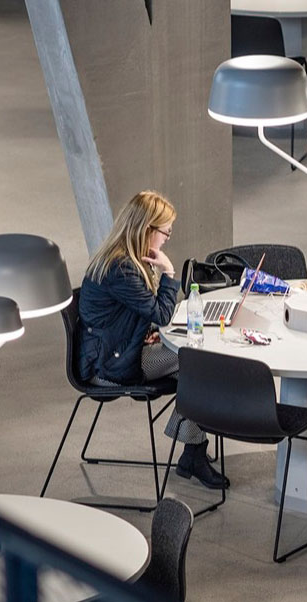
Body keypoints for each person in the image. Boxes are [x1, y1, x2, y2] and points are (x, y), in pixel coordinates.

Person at [78, 190, 228, 490]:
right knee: (201, 366)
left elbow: (129, 315)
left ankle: (192, 451)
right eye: (166, 232)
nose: (167, 238)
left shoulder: (124, 259)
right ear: (147, 229)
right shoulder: (121, 268)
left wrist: (142, 331)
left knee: (196, 369)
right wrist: (169, 272)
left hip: (118, 349)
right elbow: (160, 313)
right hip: (109, 365)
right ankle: (192, 452)